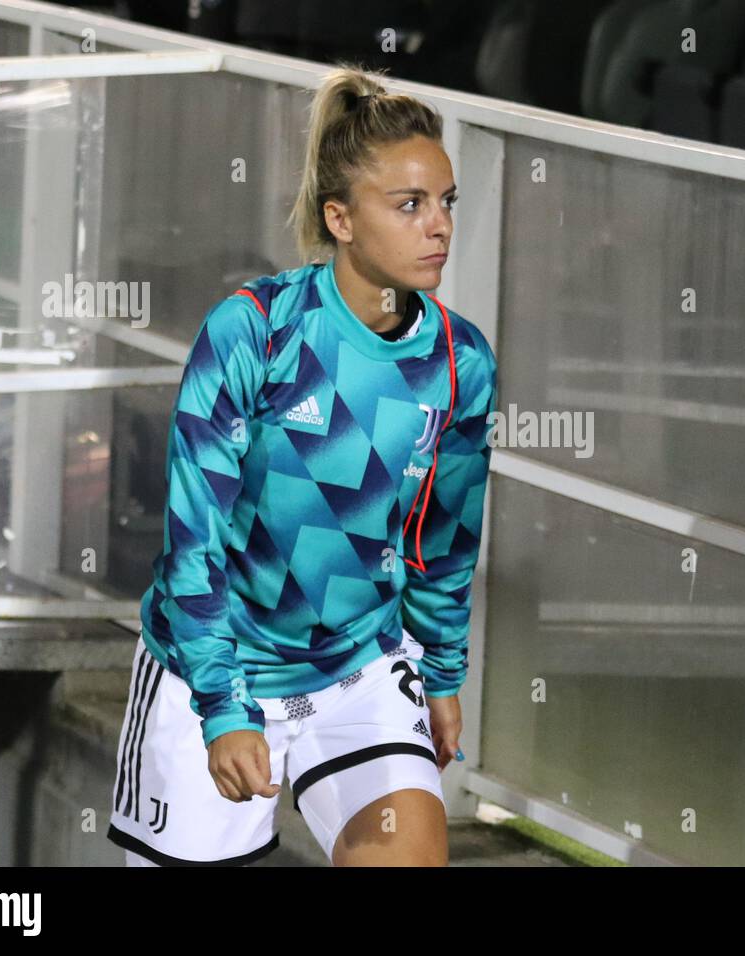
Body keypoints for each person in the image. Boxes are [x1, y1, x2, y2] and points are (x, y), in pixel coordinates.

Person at [106, 62, 498, 866]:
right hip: (216, 672)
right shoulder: (253, 333)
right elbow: (194, 542)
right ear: (341, 219)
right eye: (411, 204)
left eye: (446, 202)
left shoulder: (463, 363)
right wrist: (222, 707)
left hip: (359, 673)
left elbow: (443, 543)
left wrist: (445, 673)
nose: (440, 228)